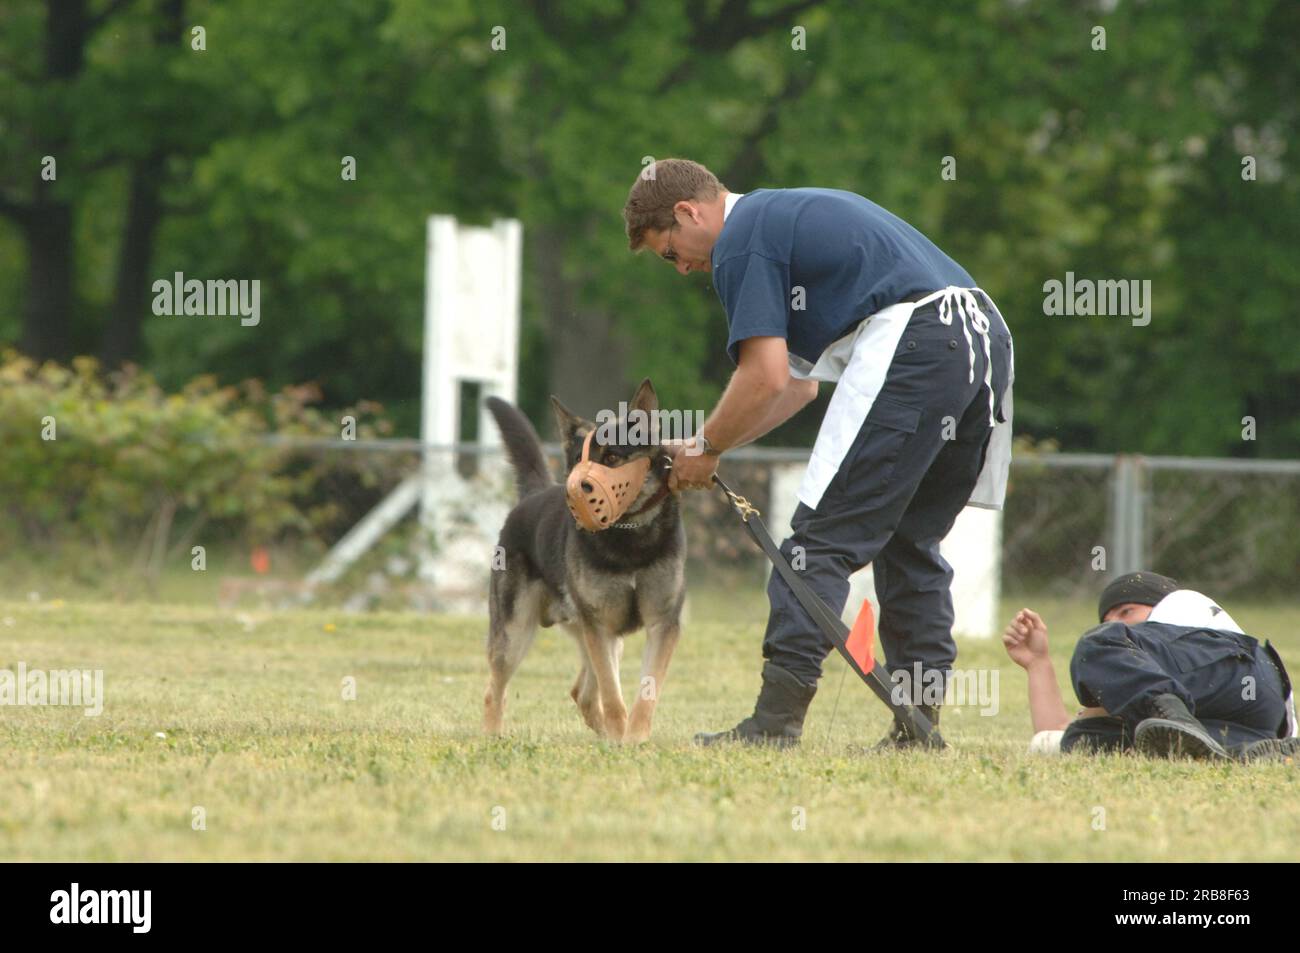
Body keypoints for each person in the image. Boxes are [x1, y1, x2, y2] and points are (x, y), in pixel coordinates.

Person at [623, 158, 1014, 749]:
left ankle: (775, 724)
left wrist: (705, 446)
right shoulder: (779, 218)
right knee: (910, 540)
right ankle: (919, 725)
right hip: (983, 341)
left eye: (670, 251)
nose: (681, 269)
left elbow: (764, 376)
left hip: (916, 336)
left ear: (687, 212)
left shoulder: (742, 238)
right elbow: (796, 385)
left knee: (816, 545)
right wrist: (712, 447)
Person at [1002, 571, 1298, 760]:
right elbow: (1060, 734)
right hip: (1259, 714)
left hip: (1228, 668)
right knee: (1087, 741)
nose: (1117, 624)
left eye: (1126, 611)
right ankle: (1250, 752)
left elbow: (1111, 657)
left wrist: (1107, 641)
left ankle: (1169, 713)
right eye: (1109, 621)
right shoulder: (1145, 674)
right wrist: (1037, 664)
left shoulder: (1183, 610)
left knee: (1096, 644)